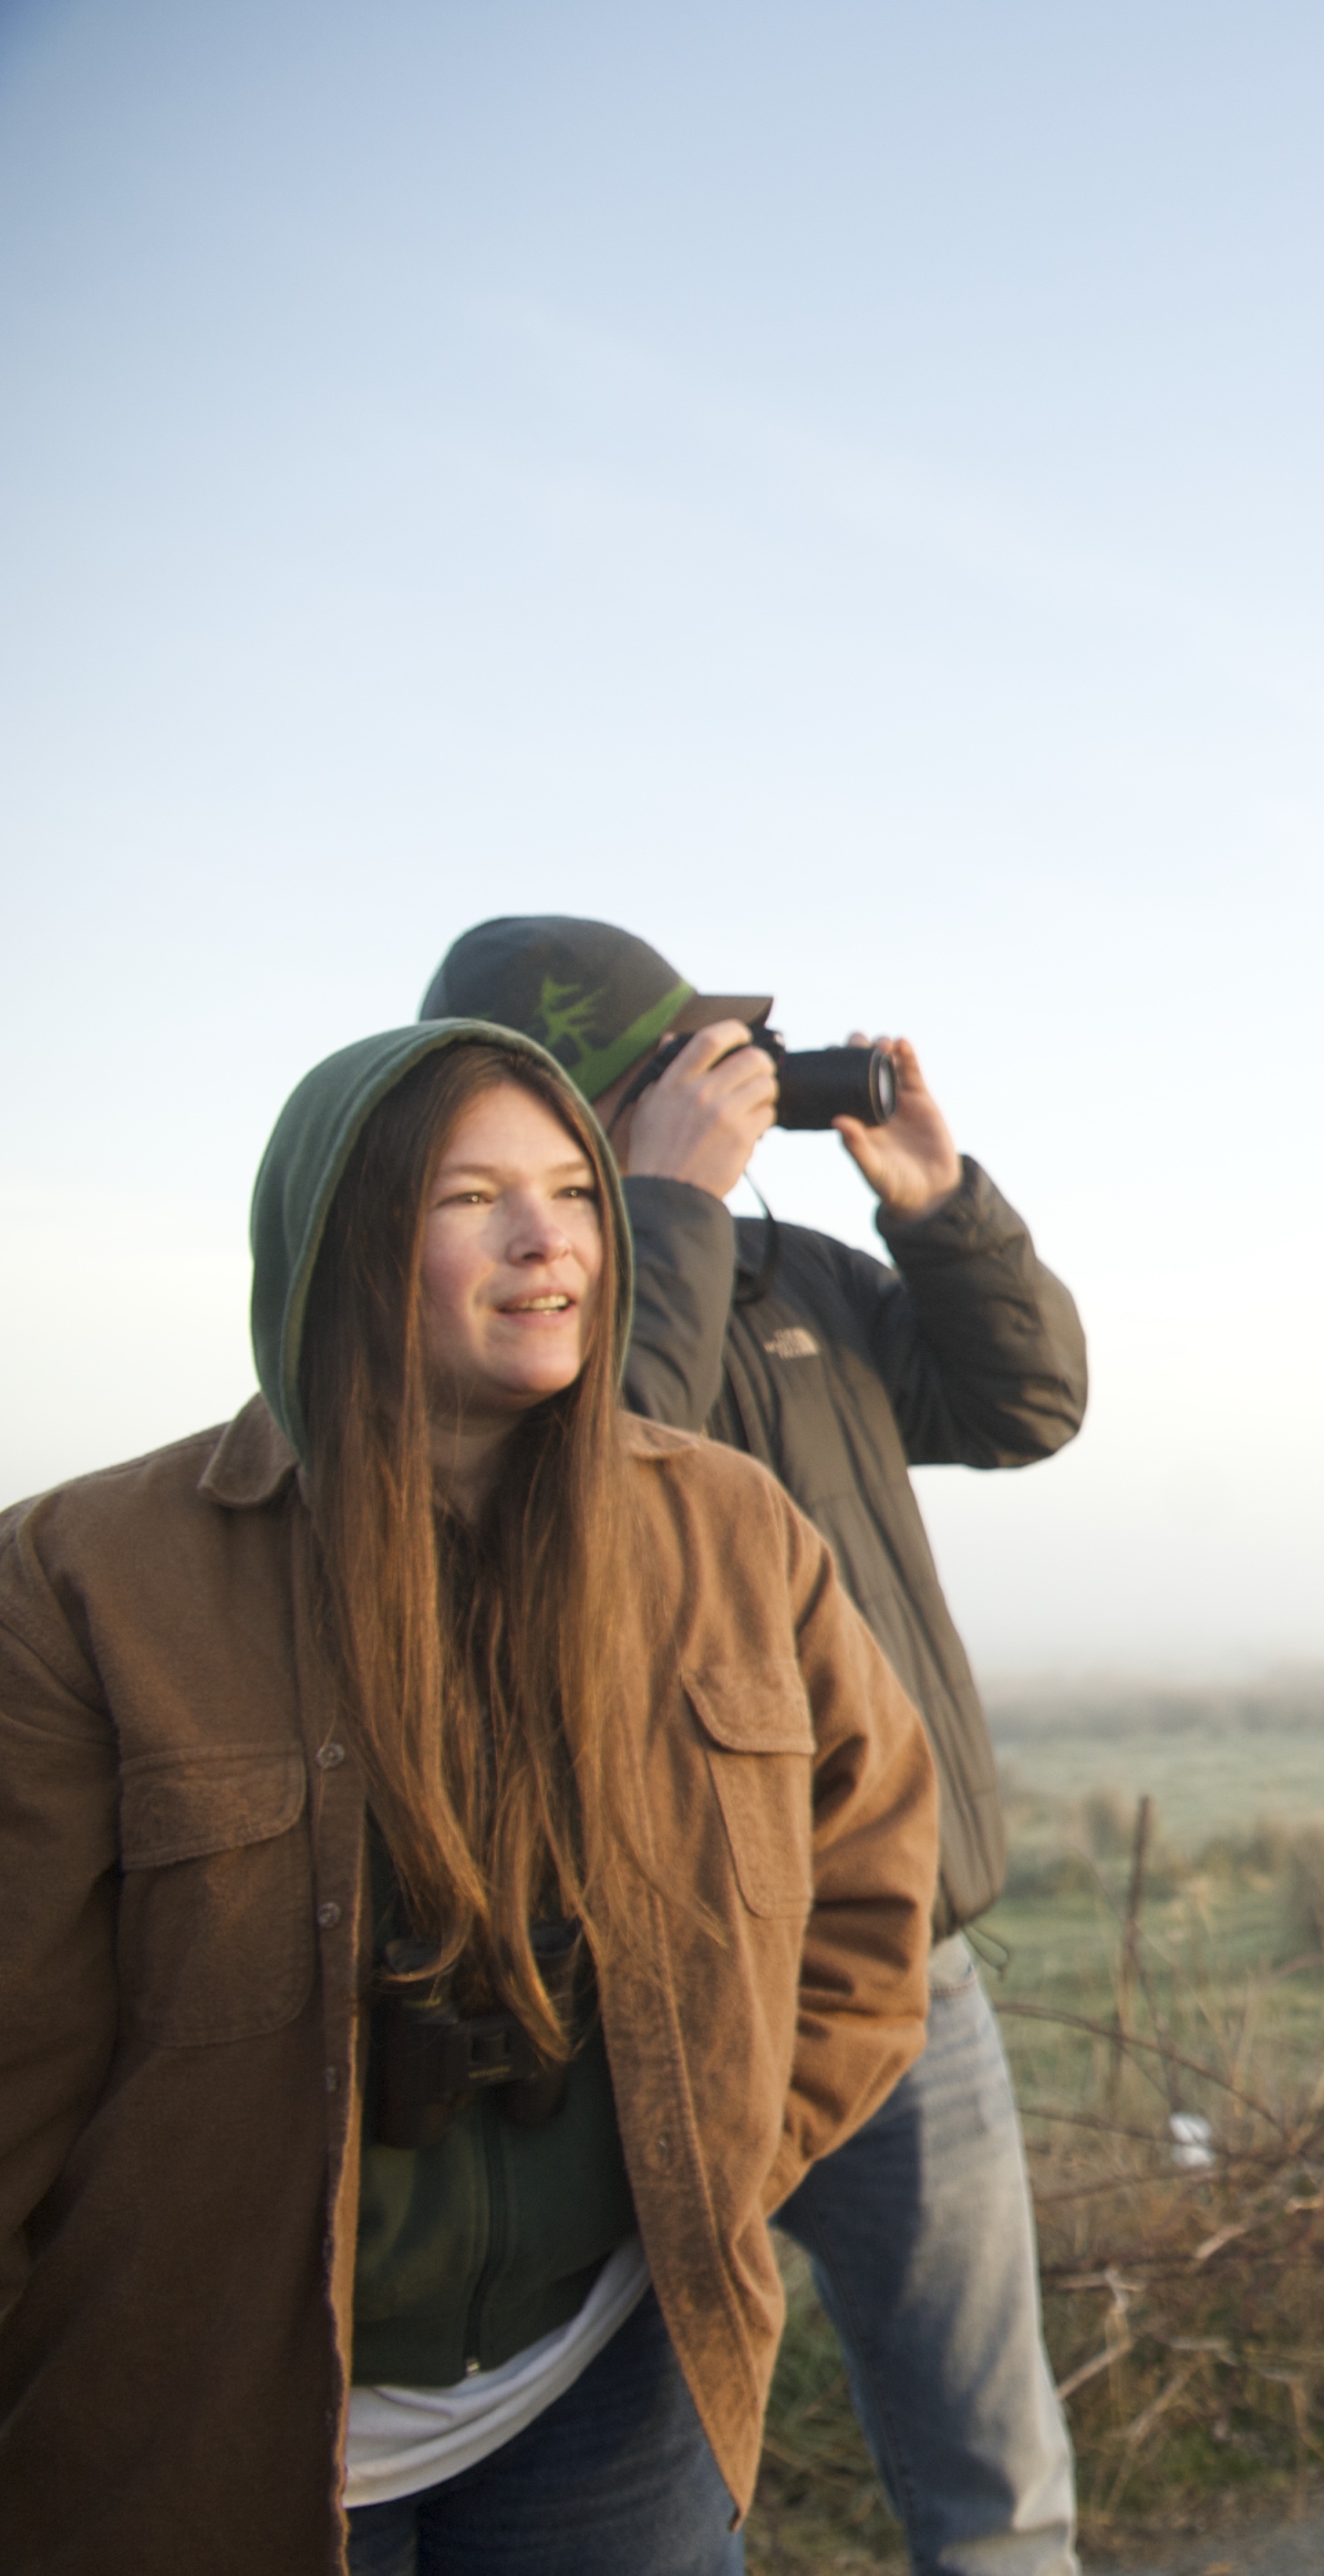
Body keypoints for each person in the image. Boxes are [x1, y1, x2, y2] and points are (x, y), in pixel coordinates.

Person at [0, 1020, 938, 2574]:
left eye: (575, 1191)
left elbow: (871, 1887)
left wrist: (709, 2166)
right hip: (209, 2444)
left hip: (614, 2392)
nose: (545, 1239)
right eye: (469, 1199)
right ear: (340, 1243)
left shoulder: (727, 1532)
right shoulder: (84, 1584)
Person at [419, 917, 1089, 2576]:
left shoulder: (806, 1287)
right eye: (673, 1070)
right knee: (625, 2481)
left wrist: (940, 1203)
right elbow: (591, 1501)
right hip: (621, 1996)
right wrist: (662, 1218)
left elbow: (1027, 1407)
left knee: (994, 2476)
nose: (726, 1090)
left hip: (891, 1958)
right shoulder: (507, 1323)